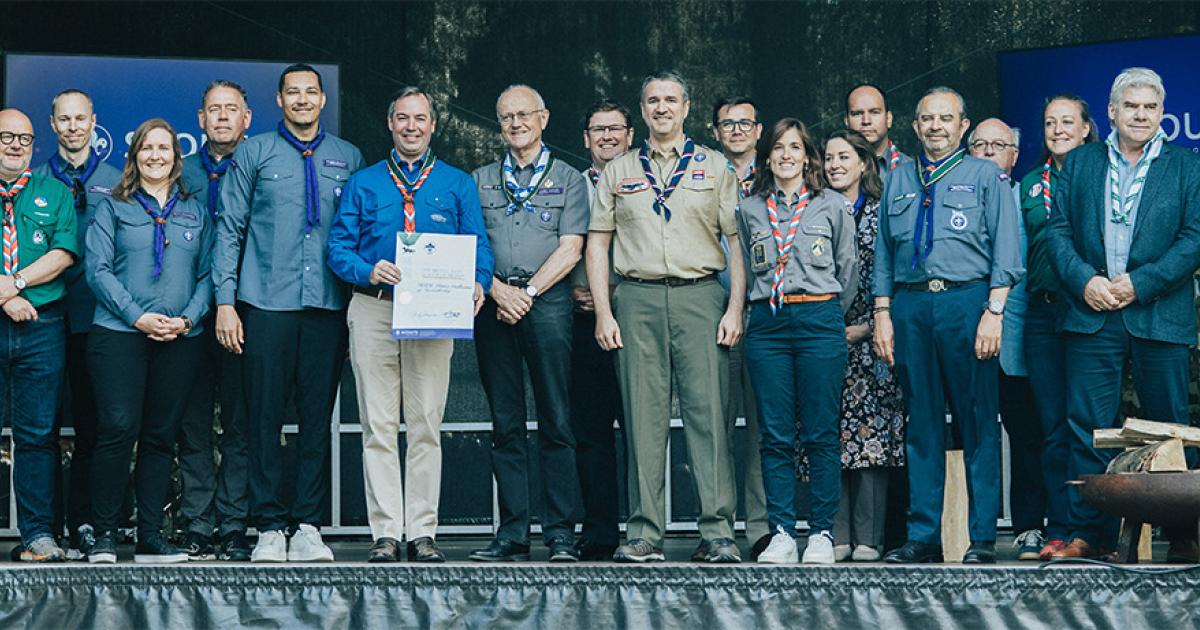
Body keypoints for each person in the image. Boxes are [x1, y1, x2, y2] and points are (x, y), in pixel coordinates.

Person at [328, 86, 492, 563]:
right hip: (375, 306)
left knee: (425, 425)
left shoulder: (457, 183)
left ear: (433, 125)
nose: (412, 127)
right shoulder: (364, 182)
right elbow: (338, 247)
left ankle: (422, 532)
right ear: (390, 124)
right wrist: (365, 269)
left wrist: (479, 282)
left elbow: (478, 243)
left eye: (421, 119)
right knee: (378, 425)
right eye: (403, 118)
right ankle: (385, 533)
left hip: (433, 312)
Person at [588, 71, 745, 563]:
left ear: (686, 107)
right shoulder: (618, 169)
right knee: (642, 419)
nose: (661, 108)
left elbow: (736, 242)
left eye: (670, 100)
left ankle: (718, 532)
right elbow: (598, 242)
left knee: (709, 416)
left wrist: (735, 306)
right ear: (643, 110)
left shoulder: (716, 167)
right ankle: (643, 533)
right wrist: (603, 311)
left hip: (701, 298)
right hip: (636, 300)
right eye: (653, 100)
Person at [1044, 68, 1200, 561]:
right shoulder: (1082, 162)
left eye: (1150, 107)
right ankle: (1089, 534)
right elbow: (1058, 231)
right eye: (1130, 106)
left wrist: (1140, 283)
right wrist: (1085, 281)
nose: (1140, 114)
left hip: (1157, 312)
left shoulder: (1186, 167)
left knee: (1170, 429)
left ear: (1161, 114)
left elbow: (1195, 239)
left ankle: (1182, 537)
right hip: (1093, 312)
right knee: (1086, 428)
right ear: (1110, 112)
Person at [214, 63, 364, 563]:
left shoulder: (348, 156)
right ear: (279, 100)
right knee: (264, 418)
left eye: (310, 92)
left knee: (317, 420)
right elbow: (230, 230)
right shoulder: (254, 151)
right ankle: (269, 527)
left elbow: (358, 235)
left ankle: (307, 525)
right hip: (266, 304)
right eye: (292, 92)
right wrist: (225, 303)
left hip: (326, 305)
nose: (302, 100)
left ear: (323, 100)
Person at [873, 87, 1023, 565]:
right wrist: (882, 313)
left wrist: (994, 312)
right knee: (921, 423)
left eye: (946, 118)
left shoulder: (985, 175)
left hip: (967, 302)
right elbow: (882, 254)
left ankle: (981, 538)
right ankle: (923, 536)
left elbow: (1007, 250)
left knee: (977, 420)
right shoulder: (897, 179)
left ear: (963, 126)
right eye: (927, 119)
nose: (935, 126)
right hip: (912, 307)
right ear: (914, 126)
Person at [84, 118, 213, 564]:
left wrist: (188, 319)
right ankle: (103, 536)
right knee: (118, 429)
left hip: (180, 337)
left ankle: (149, 536)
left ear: (177, 159)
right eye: (147, 148)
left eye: (165, 148)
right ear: (134, 155)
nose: (156, 155)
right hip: (119, 335)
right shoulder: (112, 209)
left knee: (160, 437)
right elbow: (97, 271)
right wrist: (138, 318)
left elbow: (208, 274)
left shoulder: (195, 211)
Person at [469, 85, 587, 563]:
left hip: (548, 304)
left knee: (558, 420)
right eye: (506, 117)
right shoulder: (479, 180)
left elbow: (572, 246)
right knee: (505, 423)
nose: (515, 123)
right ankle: (512, 535)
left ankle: (560, 534)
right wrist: (499, 291)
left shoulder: (570, 178)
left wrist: (527, 294)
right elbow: (470, 243)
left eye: (524, 115)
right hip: (493, 305)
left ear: (544, 118)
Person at [740, 119, 857, 564]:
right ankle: (783, 532)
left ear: (808, 156)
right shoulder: (750, 208)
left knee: (821, 433)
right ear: (767, 156)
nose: (786, 155)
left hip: (819, 318)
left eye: (795, 147)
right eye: (778, 148)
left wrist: (823, 311)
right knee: (774, 435)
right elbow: (748, 271)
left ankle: (822, 533)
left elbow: (846, 271)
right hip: (768, 324)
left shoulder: (831, 205)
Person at [32, 89, 121, 560]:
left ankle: (83, 523)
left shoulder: (115, 180)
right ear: (52, 124)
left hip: (97, 319)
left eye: (80, 119)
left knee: (93, 425)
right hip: (41, 317)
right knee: (40, 429)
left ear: (92, 123)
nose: (72, 127)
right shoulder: (33, 179)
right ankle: (40, 528)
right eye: (63, 119)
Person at [1017, 93, 1098, 560]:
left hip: (1087, 312)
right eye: (1050, 122)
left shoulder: (1102, 176)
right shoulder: (1030, 182)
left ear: (1087, 127)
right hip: (1042, 314)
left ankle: (1092, 528)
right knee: (1051, 428)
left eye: (1068, 121)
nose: (1058, 129)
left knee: (1085, 424)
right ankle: (1060, 527)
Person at [177, 79, 254, 562]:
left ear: (247, 118)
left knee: (242, 423)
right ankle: (199, 524)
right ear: (200, 120)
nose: (223, 117)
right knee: (193, 425)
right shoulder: (179, 171)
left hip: (245, 311)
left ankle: (234, 524)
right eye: (214, 110)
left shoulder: (261, 165)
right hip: (188, 314)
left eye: (232, 109)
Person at [968, 118, 1048, 561]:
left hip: (1016, 339)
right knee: (973, 438)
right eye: (978, 144)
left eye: (997, 145)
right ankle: (969, 529)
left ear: (1013, 157)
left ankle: (1029, 526)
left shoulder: (1028, 200)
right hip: (963, 337)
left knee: (1027, 435)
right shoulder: (950, 200)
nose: (987, 151)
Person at [822, 128, 905, 562]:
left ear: (863, 163)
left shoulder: (882, 211)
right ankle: (835, 536)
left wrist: (870, 326)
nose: (835, 164)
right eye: (829, 157)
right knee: (829, 436)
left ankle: (869, 538)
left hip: (875, 339)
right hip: (824, 337)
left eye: (844, 157)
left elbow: (889, 272)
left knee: (872, 439)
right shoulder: (814, 210)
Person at [0, 108, 78, 562]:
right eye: (6, 136)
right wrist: (5, 296)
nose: (15, 145)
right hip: (12, 309)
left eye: (24, 139)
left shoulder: (55, 191)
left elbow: (64, 251)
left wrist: (15, 284)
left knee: (36, 435)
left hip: (41, 324)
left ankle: (37, 537)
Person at [569, 98, 632, 561]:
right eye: (598, 130)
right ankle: (600, 531)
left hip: (636, 319)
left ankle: (647, 527)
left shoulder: (650, 183)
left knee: (642, 430)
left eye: (615, 129)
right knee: (591, 431)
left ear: (630, 135)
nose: (607, 136)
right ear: (585, 138)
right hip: (581, 322)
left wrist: (613, 293)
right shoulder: (570, 186)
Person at [711, 95, 771, 560]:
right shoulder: (702, 173)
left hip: (766, 311)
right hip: (713, 309)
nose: (735, 131)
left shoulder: (776, 174)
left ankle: (761, 528)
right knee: (713, 422)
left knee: (762, 426)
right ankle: (717, 530)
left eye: (743, 123)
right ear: (715, 131)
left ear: (758, 129)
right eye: (727, 124)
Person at [845, 83, 914, 179]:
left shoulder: (911, 171)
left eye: (874, 112)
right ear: (846, 121)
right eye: (857, 114)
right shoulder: (832, 169)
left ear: (888, 119)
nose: (866, 121)